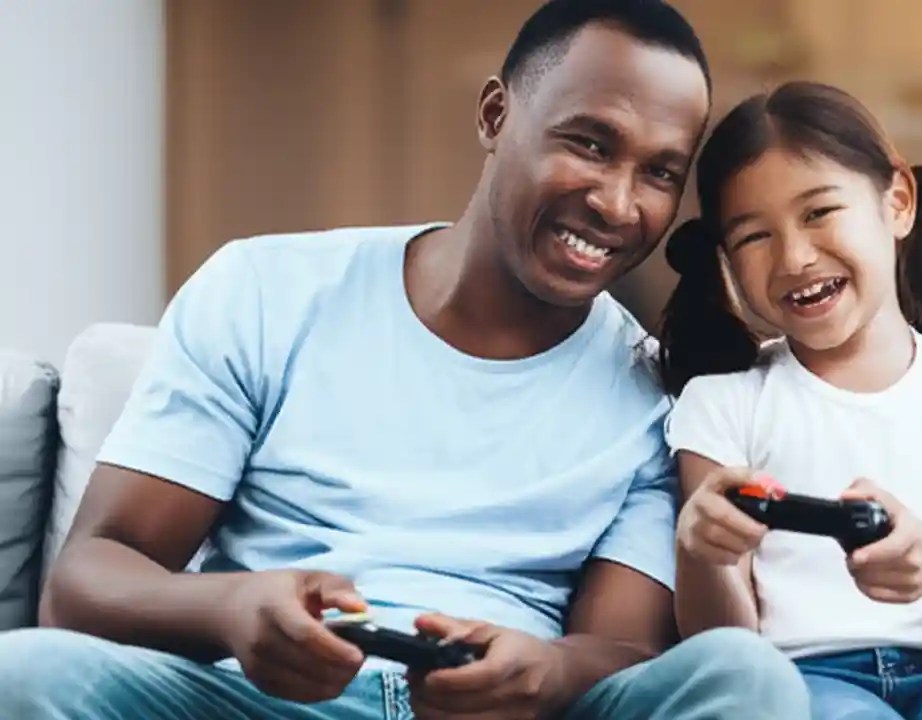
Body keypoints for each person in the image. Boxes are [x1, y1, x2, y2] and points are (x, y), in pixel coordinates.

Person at [0, 2, 812, 719]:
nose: (617, 202)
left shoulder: (654, 390)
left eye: (660, 173)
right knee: (25, 674)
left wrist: (547, 672)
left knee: (742, 677)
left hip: (501, 716)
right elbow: (85, 582)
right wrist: (233, 609)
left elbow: (625, 650)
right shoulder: (266, 291)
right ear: (495, 115)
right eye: (590, 144)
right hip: (261, 699)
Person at [657, 80, 922, 719]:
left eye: (819, 212)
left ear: (898, 202)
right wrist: (702, 553)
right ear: (725, 261)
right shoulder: (721, 405)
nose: (794, 257)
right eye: (753, 237)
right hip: (801, 681)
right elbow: (731, 659)